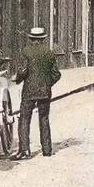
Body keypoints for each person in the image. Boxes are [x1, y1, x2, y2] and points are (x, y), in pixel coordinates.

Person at [13, 27, 60, 159]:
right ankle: (47, 150)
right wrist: (47, 84)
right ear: (43, 39)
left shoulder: (26, 52)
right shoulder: (49, 53)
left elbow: (23, 71)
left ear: (31, 38)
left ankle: (25, 150)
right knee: (44, 118)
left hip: (29, 91)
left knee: (24, 119)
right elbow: (56, 74)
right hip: (45, 91)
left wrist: (18, 79)